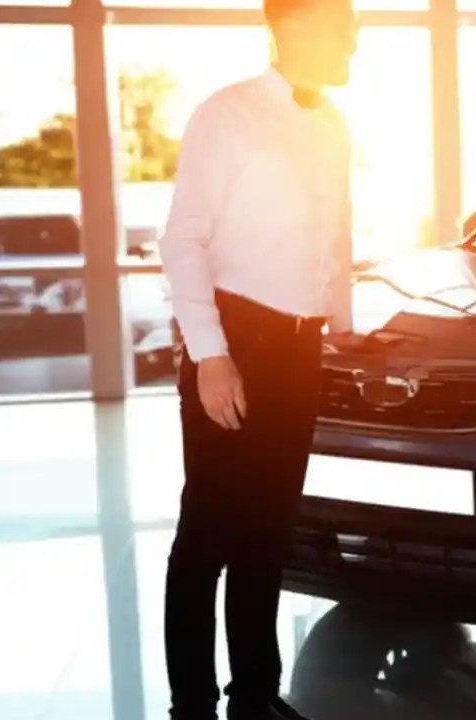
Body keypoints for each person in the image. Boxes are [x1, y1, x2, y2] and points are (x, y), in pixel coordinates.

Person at [157, 0, 358, 718]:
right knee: (208, 532)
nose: (355, 40)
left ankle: (255, 696)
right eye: (346, 25)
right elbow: (183, 241)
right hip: (237, 344)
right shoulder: (226, 114)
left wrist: (346, 324)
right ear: (297, 25)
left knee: (270, 530)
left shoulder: (332, 123)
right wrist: (212, 356)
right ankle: (191, 703)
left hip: (301, 349)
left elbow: (334, 235)